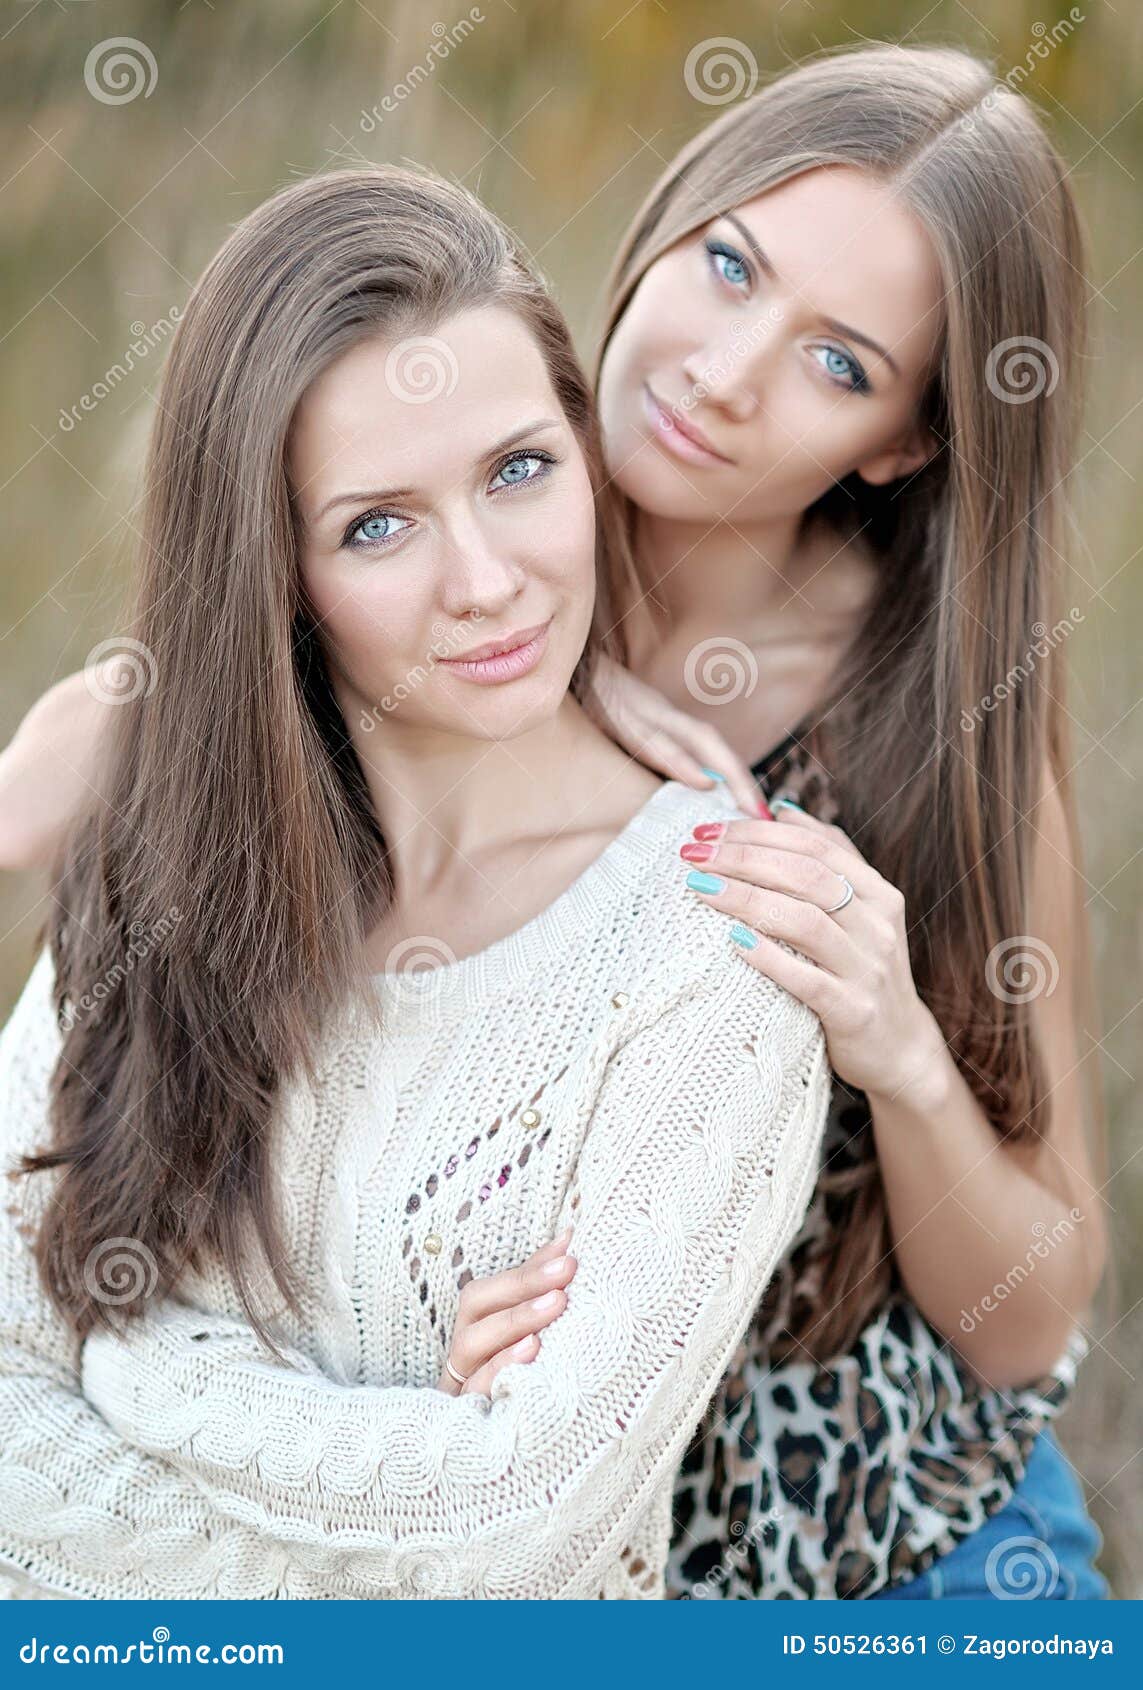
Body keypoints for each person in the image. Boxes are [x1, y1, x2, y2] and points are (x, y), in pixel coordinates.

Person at [0, 166, 830, 1600]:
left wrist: (120, 1361)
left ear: (587, 453)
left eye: (519, 471)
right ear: (276, 571)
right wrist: (398, 1455)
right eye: (378, 525)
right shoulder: (170, 853)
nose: (490, 581)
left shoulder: (714, 949)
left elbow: (513, 1548)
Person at [582, 40, 1109, 1598]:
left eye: (838, 362)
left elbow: (1027, 1312)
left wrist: (900, 1054)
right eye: (730, 264)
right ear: (676, 215)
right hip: (498, 1521)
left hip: (888, 1536)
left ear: (906, 442)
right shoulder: (449, 539)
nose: (720, 370)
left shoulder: (939, 733)